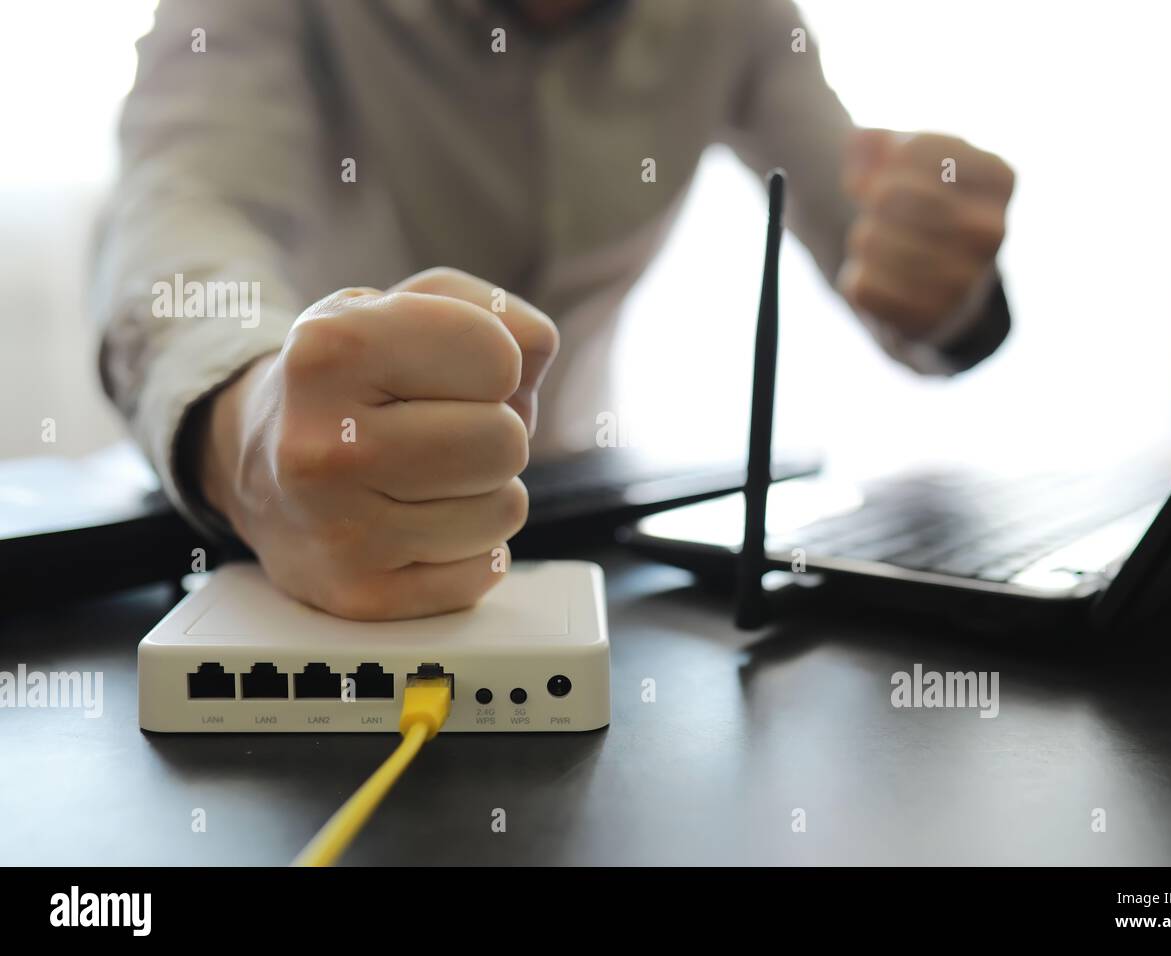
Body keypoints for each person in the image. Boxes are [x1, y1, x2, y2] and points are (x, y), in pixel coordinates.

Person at [94, 0, 1015, 620]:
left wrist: (942, 284)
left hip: (588, 524)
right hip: (277, 512)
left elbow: (869, 236)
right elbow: (182, 212)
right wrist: (255, 432)